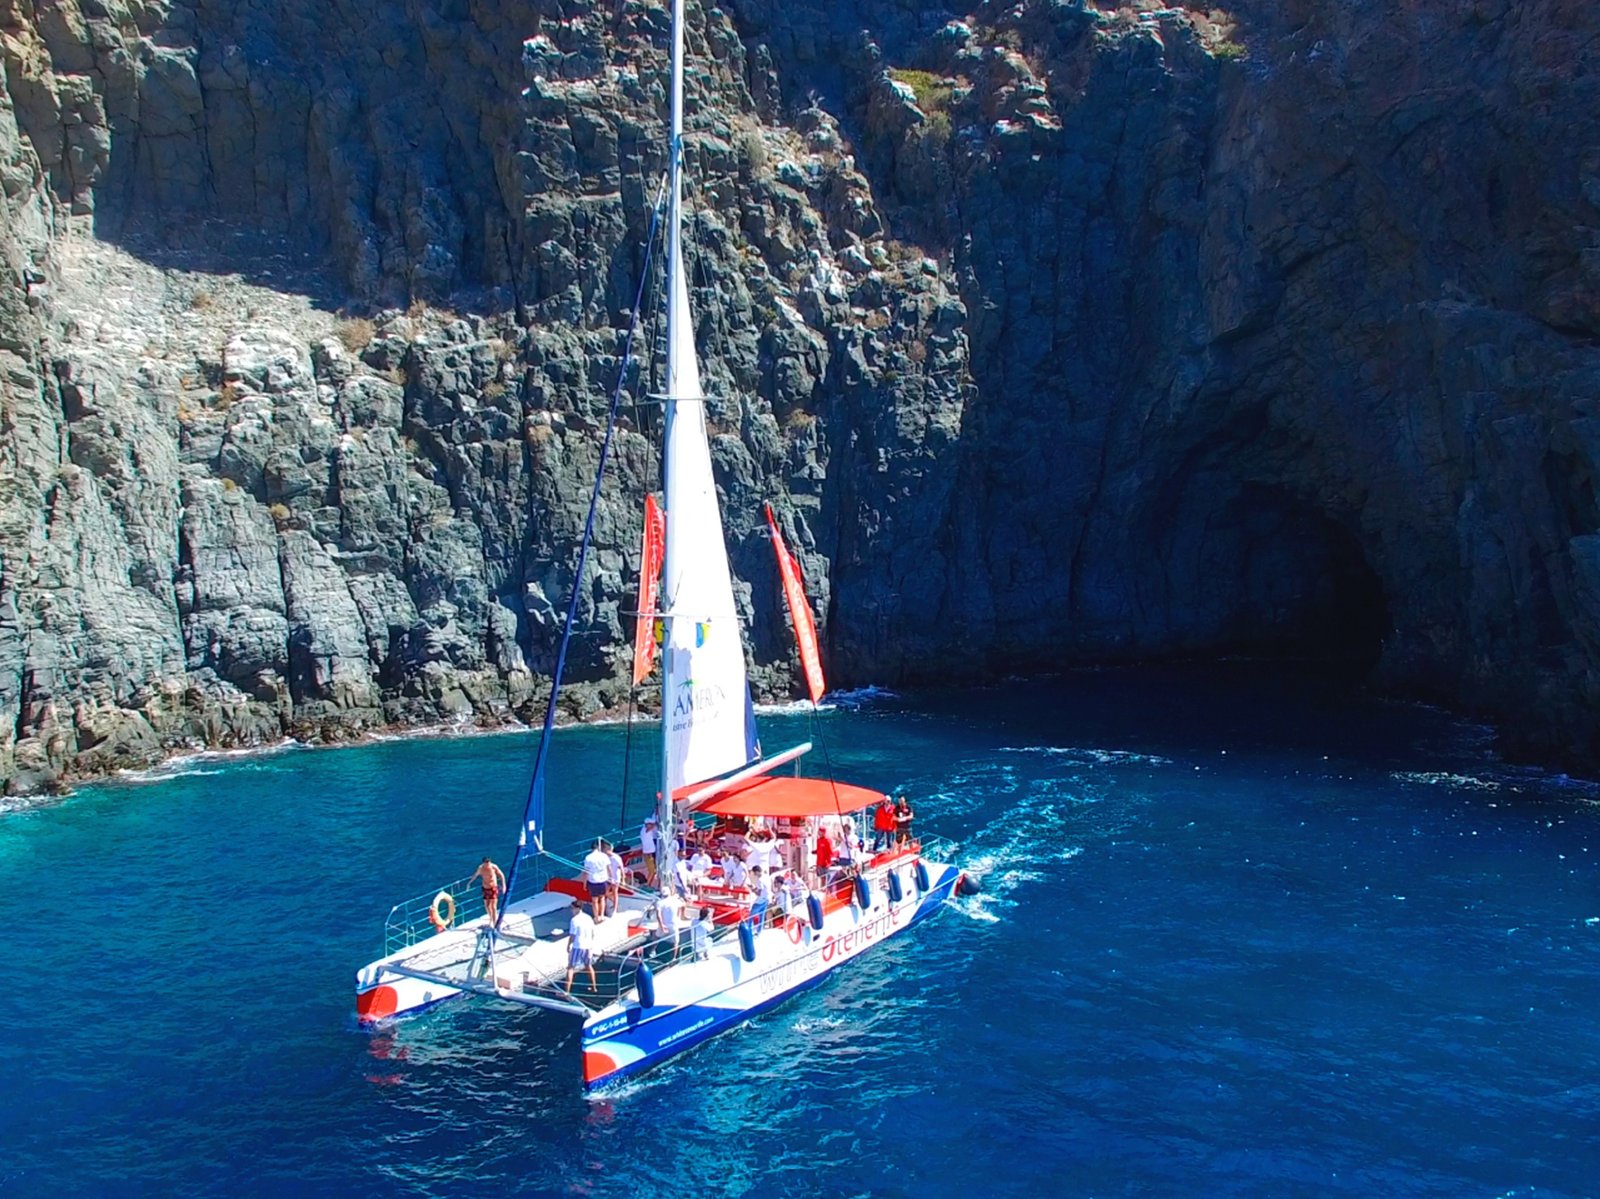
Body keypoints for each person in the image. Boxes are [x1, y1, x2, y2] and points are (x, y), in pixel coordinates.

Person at [563, 901, 598, 993]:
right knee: (588, 966)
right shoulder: (588, 918)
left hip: (578, 946)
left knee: (571, 968)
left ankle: (566, 992)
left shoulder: (574, 920)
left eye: (572, 908)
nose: (571, 910)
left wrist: (568, 945)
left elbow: (572, 936)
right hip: (588, 946)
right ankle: (594, 987)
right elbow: (593, 933)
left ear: (577, 908)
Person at [581, 838, 611, 921]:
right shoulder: (604, 856)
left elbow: (586, 872)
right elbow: (609, 868)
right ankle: (602, 915)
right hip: (603, 880)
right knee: (602, 898)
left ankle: (596, 917)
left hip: (593, 881)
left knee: (594, 900)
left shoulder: (588, 858)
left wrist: (584, 883)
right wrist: (611, 879)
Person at [470, 856, 506, 924]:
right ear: (483, 863)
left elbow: (501, 875)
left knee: (493, 906)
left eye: (488, 863)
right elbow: (475, 875)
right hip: (485, 888)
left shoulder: (494, 867)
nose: (487, 865)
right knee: (487, 905)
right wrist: (469, 883)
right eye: (486, 863)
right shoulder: (481, 868)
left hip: (493, 888)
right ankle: (491, 918)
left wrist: (504, 886)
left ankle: (495, 922)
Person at [656, 893, 684, 961]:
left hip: (664, 925)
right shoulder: (675, 900)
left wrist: (662, 926)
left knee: (657, 938)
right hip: (673, 925)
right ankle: (673, 958)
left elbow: (658, 915)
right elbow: (683, 904)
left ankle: (655, 954)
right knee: (675, 942)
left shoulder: (660, 902)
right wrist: (680, 916)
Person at [606, 840, 625, 916]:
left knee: (615, 892)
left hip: (615, 877)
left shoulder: (616, 858)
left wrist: (623, 880)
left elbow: (621, 868)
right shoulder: (606, 857)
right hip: (608, 878)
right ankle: (615, 902)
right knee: (606, 892)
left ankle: (615, 909)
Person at [639, 815, 659, 885]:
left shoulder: (643, 830)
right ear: (647, 824)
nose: (652, 825)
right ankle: (647, 885)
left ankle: (649, 884)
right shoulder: (645, 831)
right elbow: (652, 827)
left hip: (650, 853)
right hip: (649, 855)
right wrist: (656, 823)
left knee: (653, 870)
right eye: (650, 824)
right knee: (652, 871)